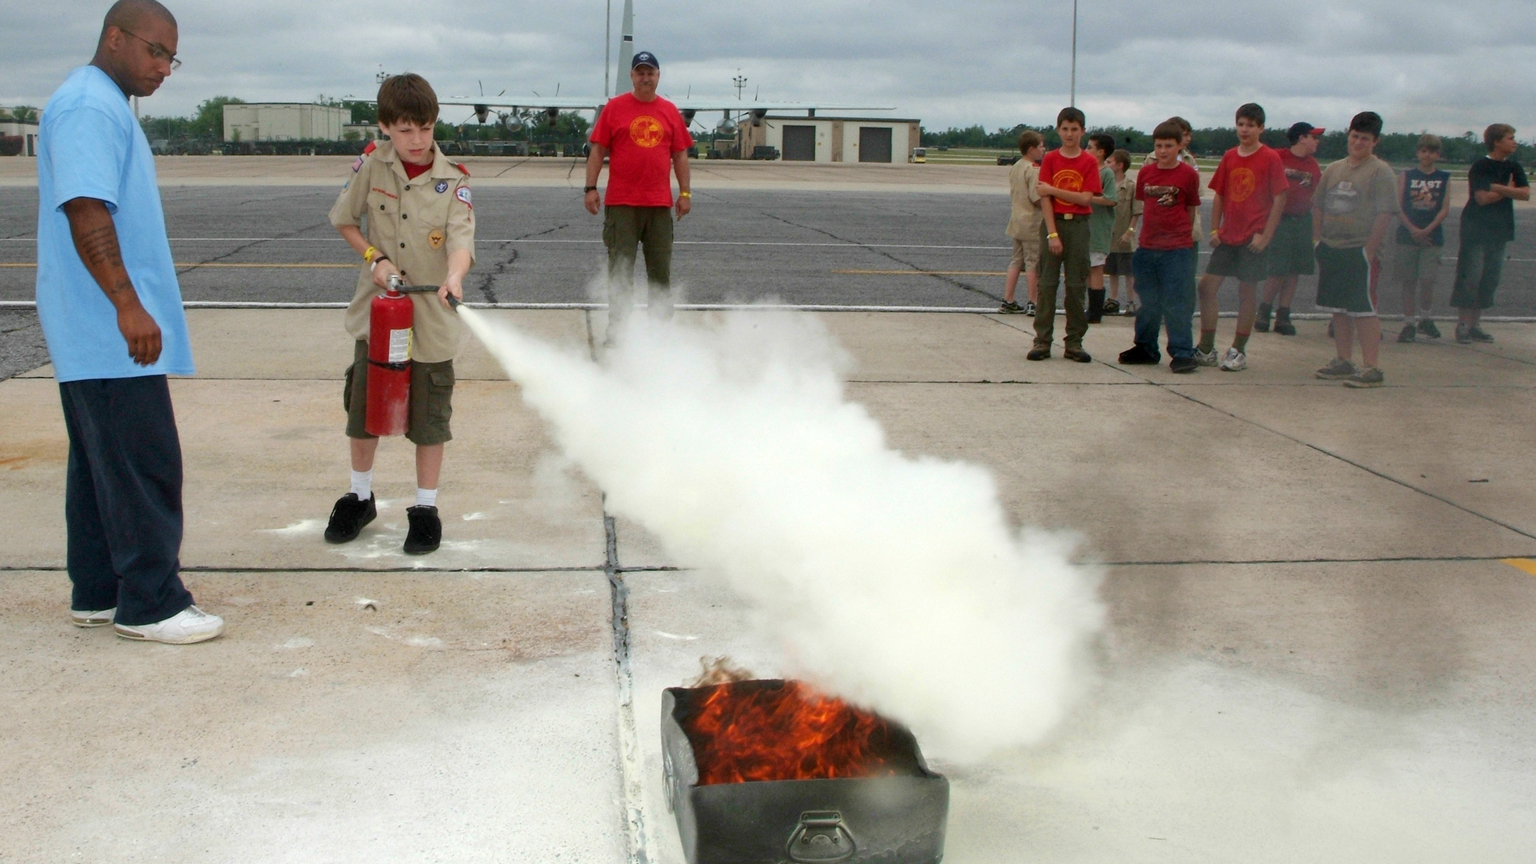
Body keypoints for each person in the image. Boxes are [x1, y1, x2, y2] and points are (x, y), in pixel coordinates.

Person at [35, 0, 223, 644]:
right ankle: (152, 602)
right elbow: (86, 207)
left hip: (91, 331)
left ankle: (100, 589)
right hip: (108, 328)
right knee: (144, 466)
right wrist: (127, 304)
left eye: (172, 56)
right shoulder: (89, 106)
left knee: (99, 467)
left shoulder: (97, 100)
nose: (165, 67)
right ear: (115, 38)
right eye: (155, 51)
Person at [325, 73, 475, 555]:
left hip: (431, 318)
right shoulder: (373, 165)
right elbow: (344, 219)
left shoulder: (453, 179)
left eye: (426, 129)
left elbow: (461, 242)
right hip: (379, 314)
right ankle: (360, 496)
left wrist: (454, 277)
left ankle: (425, 508)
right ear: (385, 126)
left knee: (430, 417)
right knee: (364, 410)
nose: (417, 140)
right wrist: (375, 259)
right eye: (406, 130)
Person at [584, 51, 693, 336]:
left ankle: (660, 333)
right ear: (632, 76)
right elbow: (597, 150)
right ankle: (618, 333)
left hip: (659, 206)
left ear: (658, 76)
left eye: (651, 73)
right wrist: (591, 188)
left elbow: (680, 155)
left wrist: (685, 194)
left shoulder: (669, 111)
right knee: (620, 274)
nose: (645, 77)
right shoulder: (614, 108)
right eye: (640, 72)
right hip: (622, 206)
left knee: (660, 275)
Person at [1194, 103, 1288, 372]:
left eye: (1250, 125)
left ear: (1261, 128)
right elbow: (1220, 193)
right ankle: (1206, 347)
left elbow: (1280, 196)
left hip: (1253, 236)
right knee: (1206, 287)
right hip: (1229, 236)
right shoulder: (1230, 156)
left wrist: (1266, 235)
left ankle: (1238, 350)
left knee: (1247, 292)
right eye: (1241, 124)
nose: (1244, 130)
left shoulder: (1269, 157)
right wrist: (1215, 229)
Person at [1313, 111, 1398, 387]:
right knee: (1339, 308)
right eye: (1354, 136)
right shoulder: (1334, 169)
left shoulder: (1380, 171)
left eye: (1365, 138)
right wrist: (1317, 241)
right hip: (1332, 247)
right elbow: (1318, 206)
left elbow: (1385, 213)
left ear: (1376, 141)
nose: (1358, 143)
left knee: (1363, 309)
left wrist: (1369, 251)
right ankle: (1343, 360)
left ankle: (1371, 367)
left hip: (1359, 250)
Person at [1117, 121, 1203, 374]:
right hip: (1148, 246)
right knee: (1149, 302)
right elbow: (1146, 206)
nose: (1164, 151)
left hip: (1176, 249)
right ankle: (1145, 347)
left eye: (1169, 146)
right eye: (1159, 146)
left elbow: (1190, 209)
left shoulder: (1188, 175)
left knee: (1176, 302)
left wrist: (1181, 238)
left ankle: (1182, 352)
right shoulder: (1147, 172)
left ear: (1179, 146)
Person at [1030, 107, 1103, 362]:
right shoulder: (1050, 159)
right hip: (1054, 224)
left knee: (1075, 285)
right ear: (1058, 130)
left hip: (1079, 226)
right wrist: (1052, 235)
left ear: (1082, 131)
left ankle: (1074, 342)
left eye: (1074, 129)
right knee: (1047, 285)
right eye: (1065, 129)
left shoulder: (1089, 161)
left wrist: (1053, 189)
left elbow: (1085, 198)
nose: (1069, 134)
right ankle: (1042, 341)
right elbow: (1045, 197)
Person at [1449, 123, 1529, 343]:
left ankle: (1476, 325)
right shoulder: (1480, 167)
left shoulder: (1514, 166)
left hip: (1500, 231)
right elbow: (1481, 198)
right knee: (1470, 277)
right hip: (1475, 229)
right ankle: (1463, 325)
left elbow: (1524, 194)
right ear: (1496, 141)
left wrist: (1499, 188)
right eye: (1510, 137)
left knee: (1489, 279)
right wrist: (1508, 190)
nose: (1514, 142)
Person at [1257, 122, 1324, 336]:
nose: (1317, 141)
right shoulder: (1278, 157)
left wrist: (1315, 232)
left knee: (1295, 269)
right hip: (1279, 220)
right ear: (1302, 138)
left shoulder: (1313, 166)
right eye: (1313, 137)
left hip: (1301, 220)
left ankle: (1283, 314)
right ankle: (1264, 311)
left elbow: (1317, 197)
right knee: (1277, 270)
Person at [1390, 134, 1452, 342]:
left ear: (1438, 155)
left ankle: (1425, 317)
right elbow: (1398, 205)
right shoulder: (1407, 176)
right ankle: (1408, 322)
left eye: (1432, 152)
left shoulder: (1444, 177)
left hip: (1432, 235)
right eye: (1424, 151)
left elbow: (1444, 208)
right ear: (1418, 153)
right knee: (1408, 280)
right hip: (1407, 235)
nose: (1427, 155)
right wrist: (1413, 229)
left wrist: (1427, 229)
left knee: (1428, 279)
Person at [1000, 130, 1045, 315]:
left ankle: (1008, 299)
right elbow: (1036, 198)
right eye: (1041, 146)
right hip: (1032, 221)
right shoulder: (1033, 169)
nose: (1044, 150)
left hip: (1017, 220)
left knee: (1016, 261)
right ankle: (1033, 301)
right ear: (1032, 149)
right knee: (1033, 262)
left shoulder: (1017, 166)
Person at [1085, 133, 1120, 323]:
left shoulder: (1105, 172)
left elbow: (1111, 198)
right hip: (1086, 227)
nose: (1086, 150)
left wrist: (1088, 198)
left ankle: (1096, 311)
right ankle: (1090, 307)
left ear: (1100, 152)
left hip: (1098, 228)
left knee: (1096, 267)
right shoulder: (1087, 169)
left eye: (1090, 147)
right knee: (1087, 268)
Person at [1105, 148, 1142, 315]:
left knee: (1129, 272)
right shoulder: (1107, 185)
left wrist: (1130, 231)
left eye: (1109, 162)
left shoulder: (1131, 187)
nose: (1106, 165)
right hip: (1109, 236)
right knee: (1112, 271)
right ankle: (1113, 300)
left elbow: (1136, 212)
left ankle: (1132, 301)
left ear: (1120, 165)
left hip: (1125, 236)